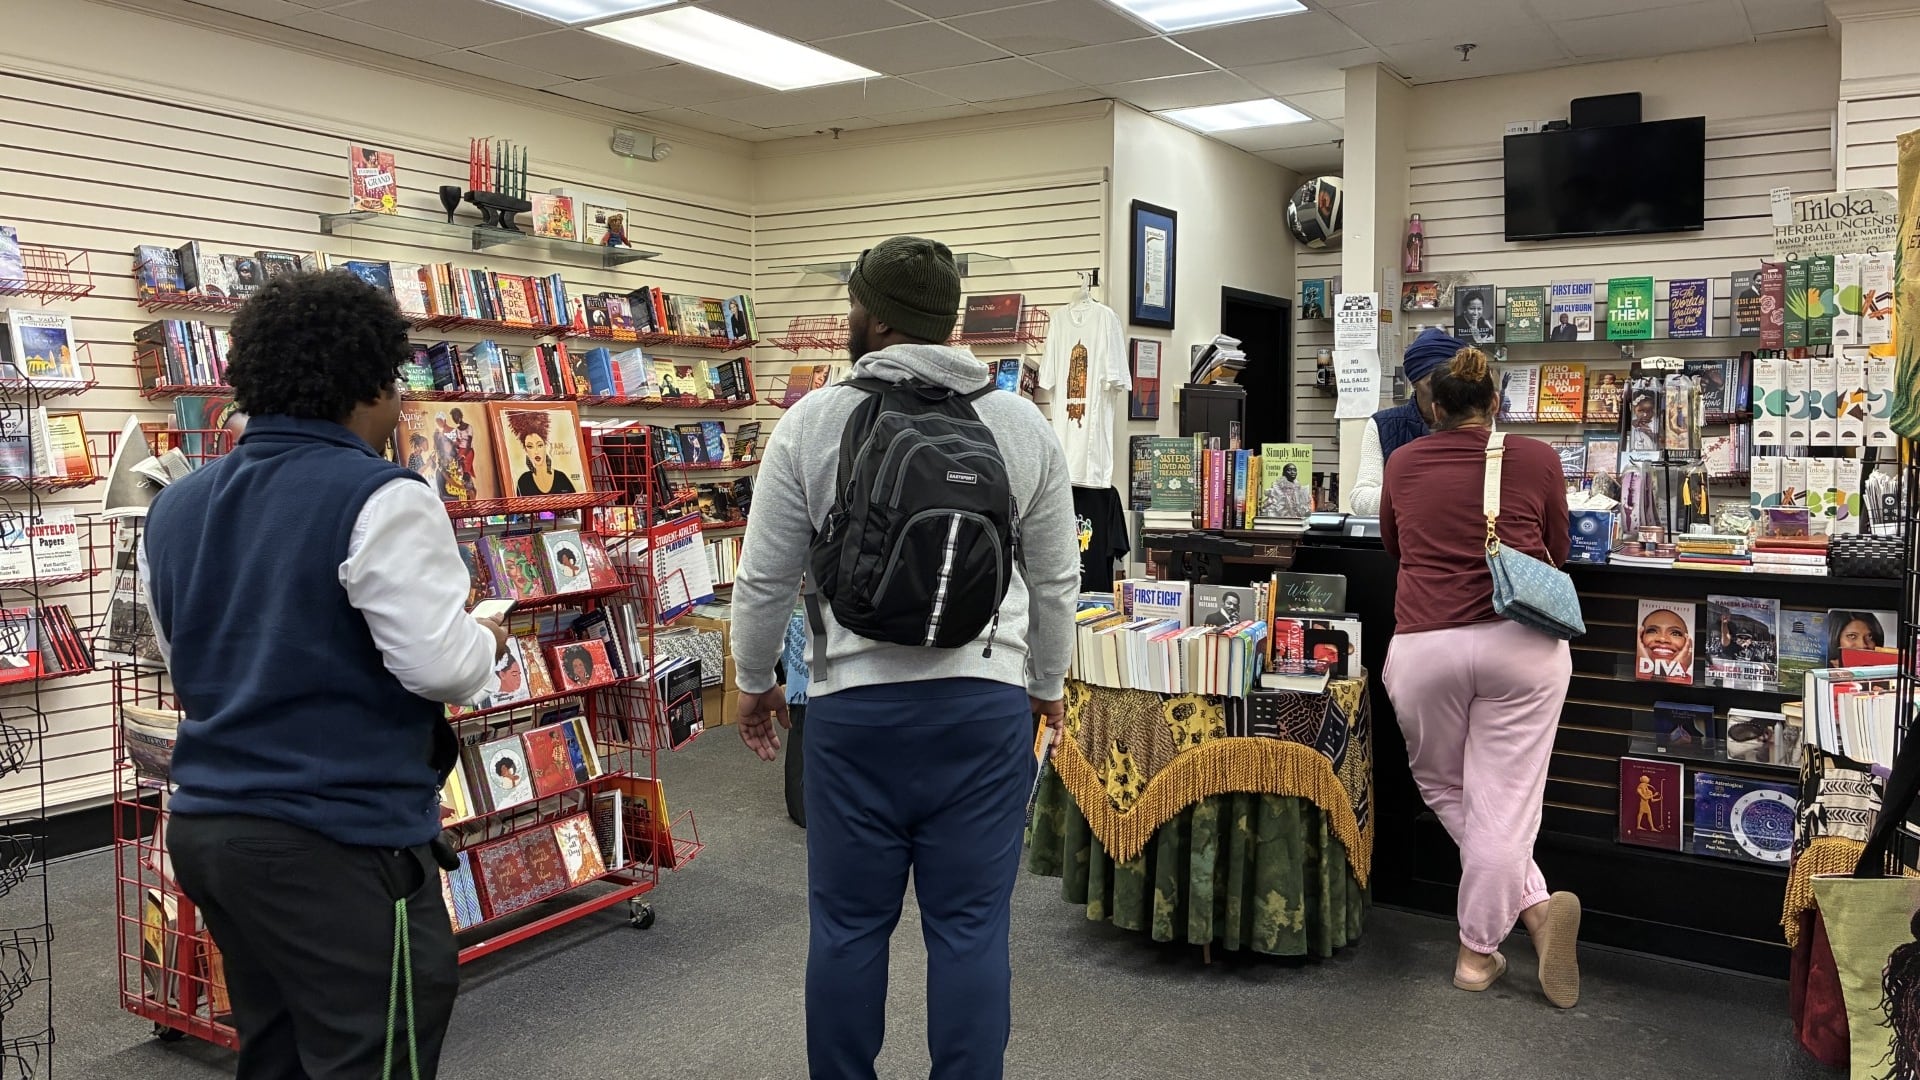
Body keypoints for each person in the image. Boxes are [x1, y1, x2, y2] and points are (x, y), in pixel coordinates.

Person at [139, 270, 507, 1079]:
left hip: (210, 825)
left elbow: (182, 650)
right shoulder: (383, 496)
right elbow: (442, 668)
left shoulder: (175, 505)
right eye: (397, 386)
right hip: (338, 839)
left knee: (274, 1046)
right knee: (377, 1052)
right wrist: (485, 636)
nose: (401, 407)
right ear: (370, 384)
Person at [728, 235, 1079, 1079]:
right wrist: (1046, 685)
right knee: (971, 932)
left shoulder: (812, 421)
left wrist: (753, 680)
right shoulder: (1019, 422)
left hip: (854, 715)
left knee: (848, 929)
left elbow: (764, 577)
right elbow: (1056, 578)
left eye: (853, 304)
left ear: (875, 318)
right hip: (984, 710)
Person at [1378, 344, 1582, 1009]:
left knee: (1445, 787)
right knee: (1505, 803)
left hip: (1424, 647)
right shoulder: (1538, 457)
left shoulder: (1403, 462)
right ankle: (1491, 939)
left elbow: (1393, 545)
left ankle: (1512, 926)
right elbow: (1558, 548)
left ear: (1432, 407)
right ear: (1496, 403)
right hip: (1521, 643)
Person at [1349, 328, 1463, 516]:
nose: (1443, 390)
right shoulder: (1382, 425)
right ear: (1414, 382)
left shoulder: (1474, 421)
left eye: (1450, 381)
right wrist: (1416, 488)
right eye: (1432, 383)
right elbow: (1360, 499)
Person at [507, 409, 577, 496]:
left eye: (539, 445)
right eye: (530, 446)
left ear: (545, 446)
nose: (536, 451)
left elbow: (574, 502)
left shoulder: (561, 478)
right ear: (526, 450)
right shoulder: (523, 481)